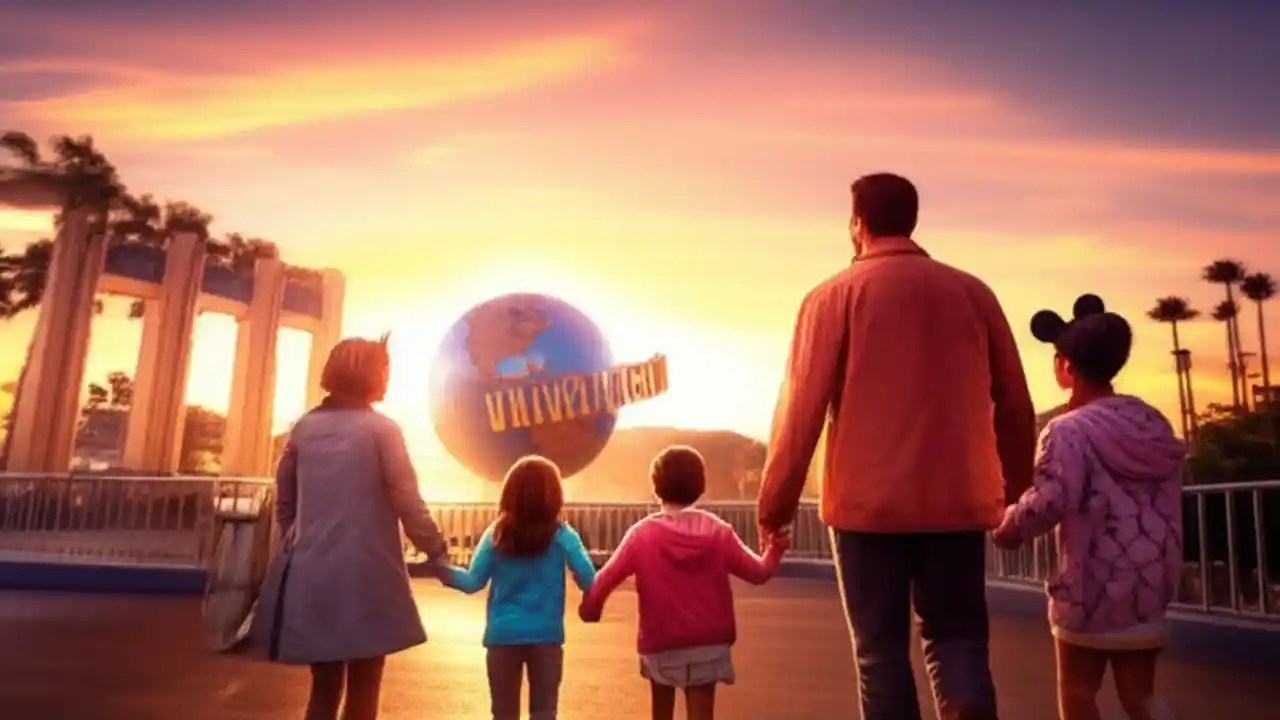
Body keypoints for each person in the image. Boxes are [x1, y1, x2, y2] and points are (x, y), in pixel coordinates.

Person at [757, 172, 1038, 720]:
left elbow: (800, 413)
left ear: (857, 224)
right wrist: (1012, 491)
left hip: (867, 510)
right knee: (957, 640)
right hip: (956, 503)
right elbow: (1015, 401)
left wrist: (775, 507)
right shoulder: (972, 291)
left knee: (880, 653)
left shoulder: (832, 296)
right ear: (912, 220)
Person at [992, 295, 1183, 720]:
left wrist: (1005, 527)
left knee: (1078, 694)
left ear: (1065, 366)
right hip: (1151, 578)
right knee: (1142, 696)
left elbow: (1048, 501)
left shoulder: (1066, 431)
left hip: (1091, 585)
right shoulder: (1153, 423)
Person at [250, 335, 448, 720]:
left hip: (313, 571)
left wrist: (302, 539)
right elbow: (406, 498)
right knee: (366, 679)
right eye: (385, 370)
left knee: (324, 685)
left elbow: (286, 502)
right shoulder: (381, 431)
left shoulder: (304, 429)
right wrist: (435, 549)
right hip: (366, 571)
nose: (388, 378)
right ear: (369, 374)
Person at [579, 446, 790, 720]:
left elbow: (605, 579)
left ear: (656, 487)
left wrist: (591, 609)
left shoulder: (641, 535)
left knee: (661, 713)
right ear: (700, 486)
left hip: (661, 641)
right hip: (709, 641)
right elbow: (759, 573)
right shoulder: (718, 531)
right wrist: (775, 548)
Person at [438, 455, 596, 720]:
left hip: (502, 636)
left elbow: (471, 582)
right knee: (545, 711)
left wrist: (439, 567)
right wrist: (588, 601)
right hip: (546, 637)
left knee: (503, 713)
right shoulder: (562, 535)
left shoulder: (497, 533)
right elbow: (589, 578)